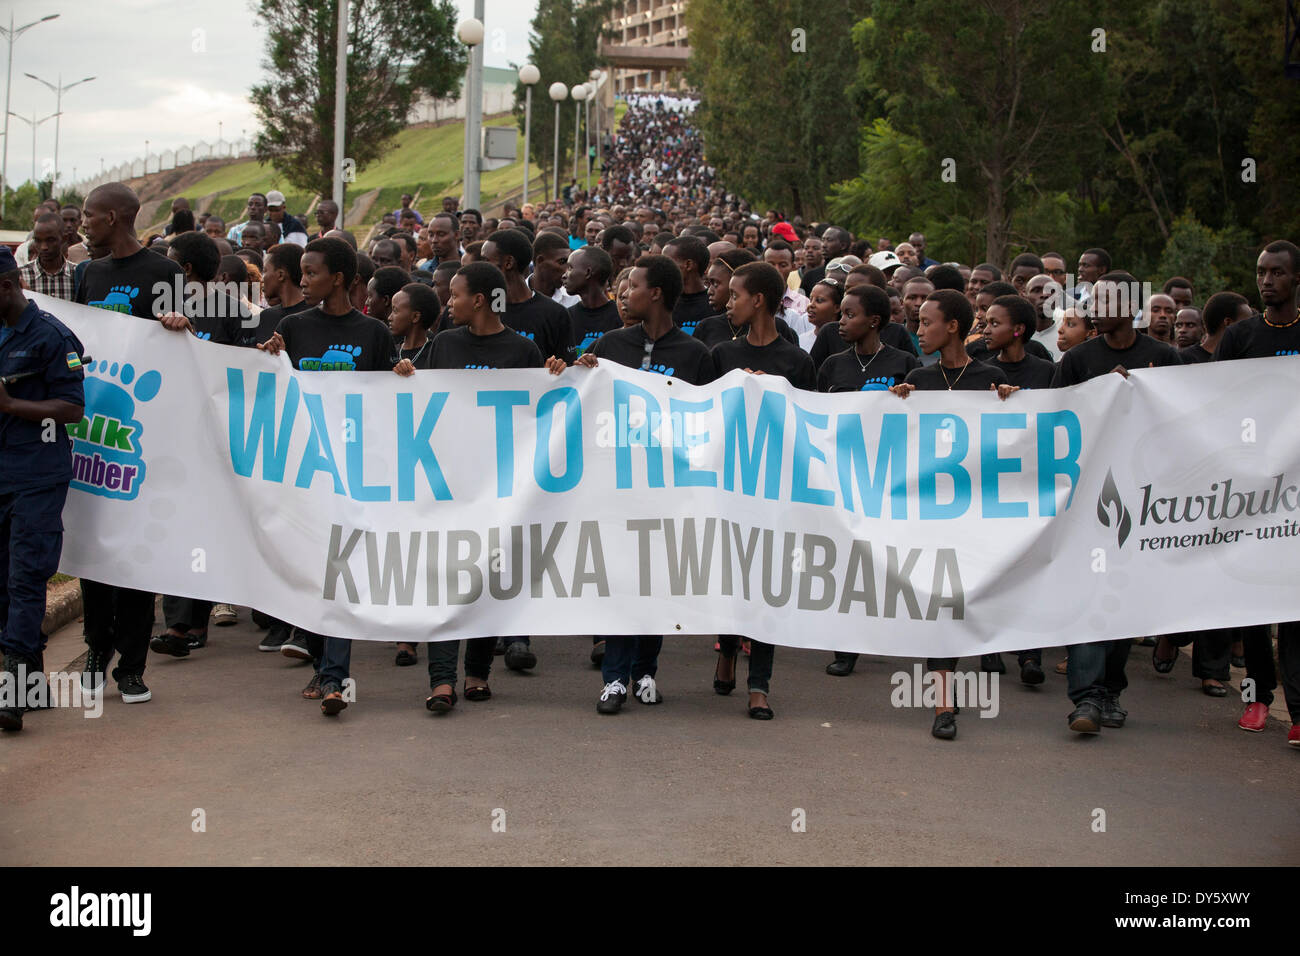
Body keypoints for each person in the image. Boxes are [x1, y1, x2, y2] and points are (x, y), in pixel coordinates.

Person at [547, 255, 716, 714]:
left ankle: (645, 673)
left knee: (655, 582)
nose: (625, 293)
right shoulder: (609, 346)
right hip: (614, 488)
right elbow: (582, 405)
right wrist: (572, 373)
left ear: (656, 293)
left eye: (634, 285)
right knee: (619, 580)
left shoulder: (695, 354)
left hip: (667, 492)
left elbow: (712, 421)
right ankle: (614, 679)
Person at [393, 263, 543, 711]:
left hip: (501, 490)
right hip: (448, 487)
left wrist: (561, 373)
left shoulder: (523, 351)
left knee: (487, 582)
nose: (447, 303)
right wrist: (404, 377)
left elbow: (542, 415)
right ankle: (442, 681)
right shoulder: (443, 344)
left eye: (454, 295)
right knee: (446, 581)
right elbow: (423, 399)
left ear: (478, 299)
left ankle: (477, 673)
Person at [258, 238, 397, 716]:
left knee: (341, 570)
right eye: (301, 272)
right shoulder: (292, 327)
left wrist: (403, 375)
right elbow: (274, 389)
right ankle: (322, 661)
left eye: (311, 273)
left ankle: (335, 676)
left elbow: (388, 402)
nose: (304, 280)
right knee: (312, 570)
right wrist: (270, 357)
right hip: (304, 470)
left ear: (337, 278)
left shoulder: (374, 332)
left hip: (353, 472)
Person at [1052, 271, 1182, 734]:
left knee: (1123, 596)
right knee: (1088, 594)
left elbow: (1181, 421)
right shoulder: (1078, 359)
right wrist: (1099, 394)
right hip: (1087, 494)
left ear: (1131, 308)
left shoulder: (1163, 357)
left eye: (1103, 301)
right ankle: (1085, 699)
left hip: (1141, 494)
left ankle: (1109, 692)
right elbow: (1056, 419)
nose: (1092, 310)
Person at [75, 183, 189, 705]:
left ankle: (133, 666)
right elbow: (77, 343)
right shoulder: (87, 274)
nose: (84, 224)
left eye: (90, 216)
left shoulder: (164, 274)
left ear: (116, 216)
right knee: (94, 547)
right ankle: (96, 650)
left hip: (145, 432)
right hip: (95, 431)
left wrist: (176, 326)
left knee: (139, 554)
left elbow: (185, 348)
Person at [890, 289, 1013, 739]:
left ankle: (956, 680)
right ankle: (944, 700)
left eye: (925, 323)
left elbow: (1011, 437)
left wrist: (1010, 402)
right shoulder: (917, 379)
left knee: (961, 600)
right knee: (938, 601)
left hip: (975, 515)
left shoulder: (990, 378)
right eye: (917, 323)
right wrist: (896, 402)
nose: (918, 331)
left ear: (953, 327)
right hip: (928, 514)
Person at [709, 261, 816, 721]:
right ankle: (728, 649)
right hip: (727, 481)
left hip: (775, 486)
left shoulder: (797, 361)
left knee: (767, 579)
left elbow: (813, 425)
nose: (728, 302)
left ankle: (760, 685)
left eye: (735, 294)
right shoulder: (720, 355)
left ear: (759, 300)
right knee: (731, 572)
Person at [1212, 240, 1300, 747]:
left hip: (1296, 487)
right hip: (1251, 489)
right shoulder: (1240, 336)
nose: (1266, 281)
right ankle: (1257, 697)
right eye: (1261, 272)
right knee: (1252, 600)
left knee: (1292, 604)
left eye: (1277, 273)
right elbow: (1217, 402)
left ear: (1295, 279)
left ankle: (1299, 707)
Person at [0, 248, 86, 731]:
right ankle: (32, 683)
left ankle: (14, 691)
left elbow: (73, 409)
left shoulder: (50, 334)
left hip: (37, 473)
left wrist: (12, 403)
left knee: (27, 577)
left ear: (8, 287)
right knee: (1, 583)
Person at [564, 246, 620, 357]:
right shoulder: (565, 317)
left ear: (588, 272)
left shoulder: (619, 317)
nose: (564, 275)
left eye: (570, 268)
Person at [19, 213, 76, 300]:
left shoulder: (77, 274)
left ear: (64, 239)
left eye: (50, 240)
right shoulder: (21, 276)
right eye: (38, 241)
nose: (43, 247)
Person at [1180, 292, 1247, 364]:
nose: (1250, 328)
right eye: (1246, 323)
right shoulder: (1182, 361)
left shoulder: (1242, 360)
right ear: (1228, 323)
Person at [664, 235, 712, 334]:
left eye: (667, 262)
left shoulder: (714, 303)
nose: (662, 268)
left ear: (688, 265)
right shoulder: (663, 303)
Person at [530, 231, 578, 308]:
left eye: (569, 263)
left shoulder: (574, 299)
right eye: (562, 262)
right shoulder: (511, 295)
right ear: (540, 261)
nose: (567, 271)